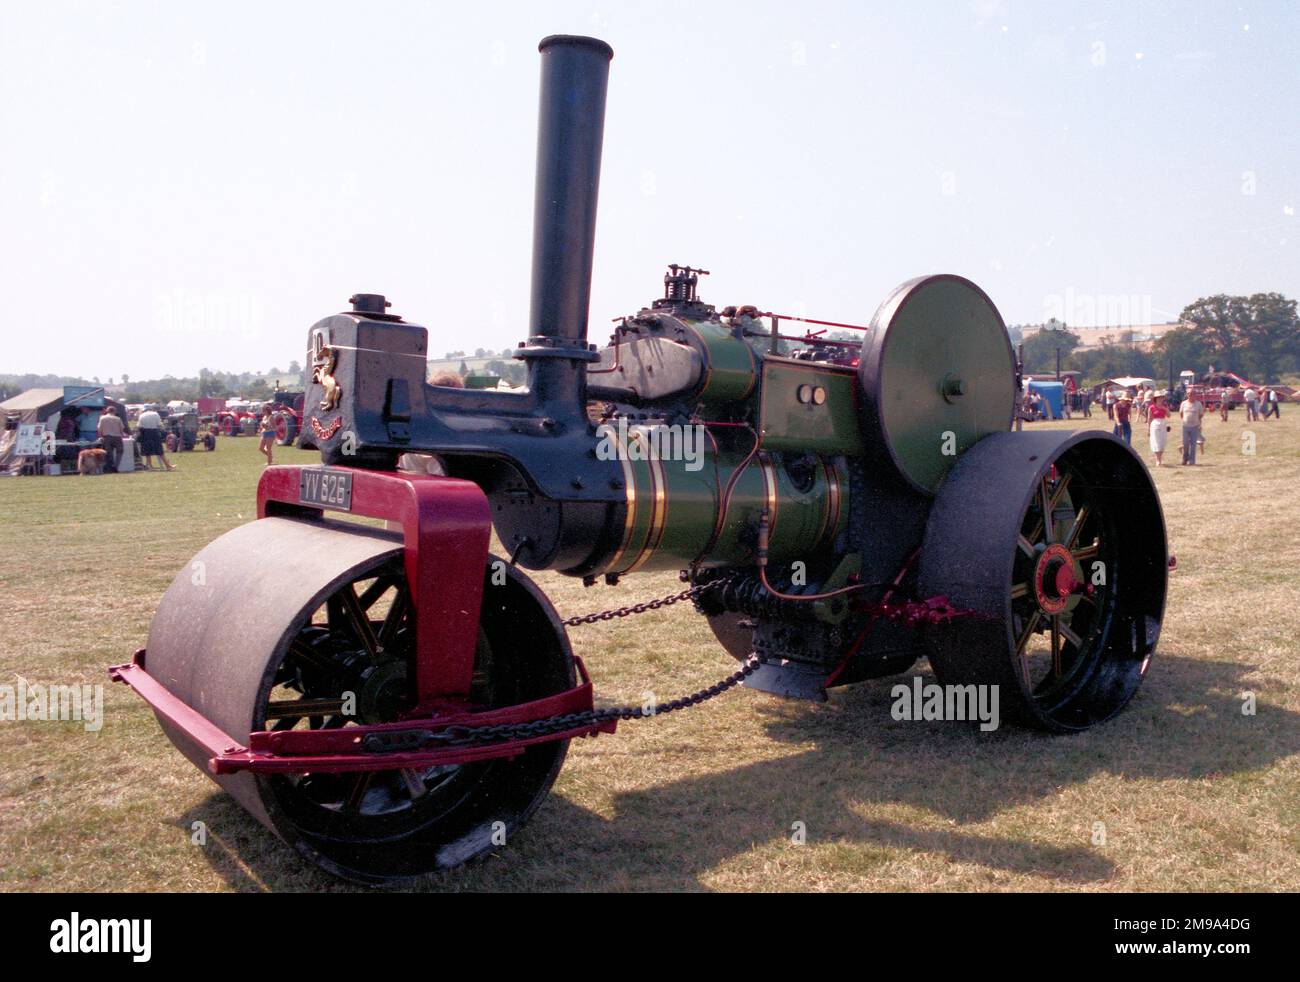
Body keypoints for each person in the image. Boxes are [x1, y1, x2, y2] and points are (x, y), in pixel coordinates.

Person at [134, 407, 174, 471]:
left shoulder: (142, 415)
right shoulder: (155, 414)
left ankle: (150, 466)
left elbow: (139, 426)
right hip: (154, 433)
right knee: (160, 451)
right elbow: (159, 424)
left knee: (147, 451)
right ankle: (167, 465)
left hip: (145, 433)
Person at [96, 405, 127, 473]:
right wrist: (122, 435)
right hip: (117, 437)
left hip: (107, 437)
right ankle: (115, 466)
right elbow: (121, 428)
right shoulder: (117, 418)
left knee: (109, 453)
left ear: (107, 411)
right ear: (114, 411)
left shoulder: (102, 418)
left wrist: (100, 436)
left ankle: (109, 467)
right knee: (120, 451)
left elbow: (99, 428)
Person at [1179, 392, 1204, 465]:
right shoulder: (1184, 403)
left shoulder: (1198, 404)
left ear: (1195, 395)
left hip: (1195, 426)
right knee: (1185, 443)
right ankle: (1185, 459)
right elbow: (1181, 414)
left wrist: (1196, 420)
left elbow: (1201, 414)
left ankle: (1192, 461)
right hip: (1185, 426)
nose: (1191, 395)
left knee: (1193, 444)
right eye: (1189, 394)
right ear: (1187, 395)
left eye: (1192, 394)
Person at [1148, 391, 1171, 467]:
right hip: (1155, 423)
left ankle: (1160, 457)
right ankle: (1158, 459)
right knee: (1156, 441)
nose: (1160, 399)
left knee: (1162, 441)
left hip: (1163, 423)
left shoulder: (1165, 406)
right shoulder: (1151, 407)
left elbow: (1169, 415)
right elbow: (1149, 419)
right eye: (1159, 398)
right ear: (1156, 399)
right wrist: (1148, 429)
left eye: (1161, 397)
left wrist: (1164, 408)